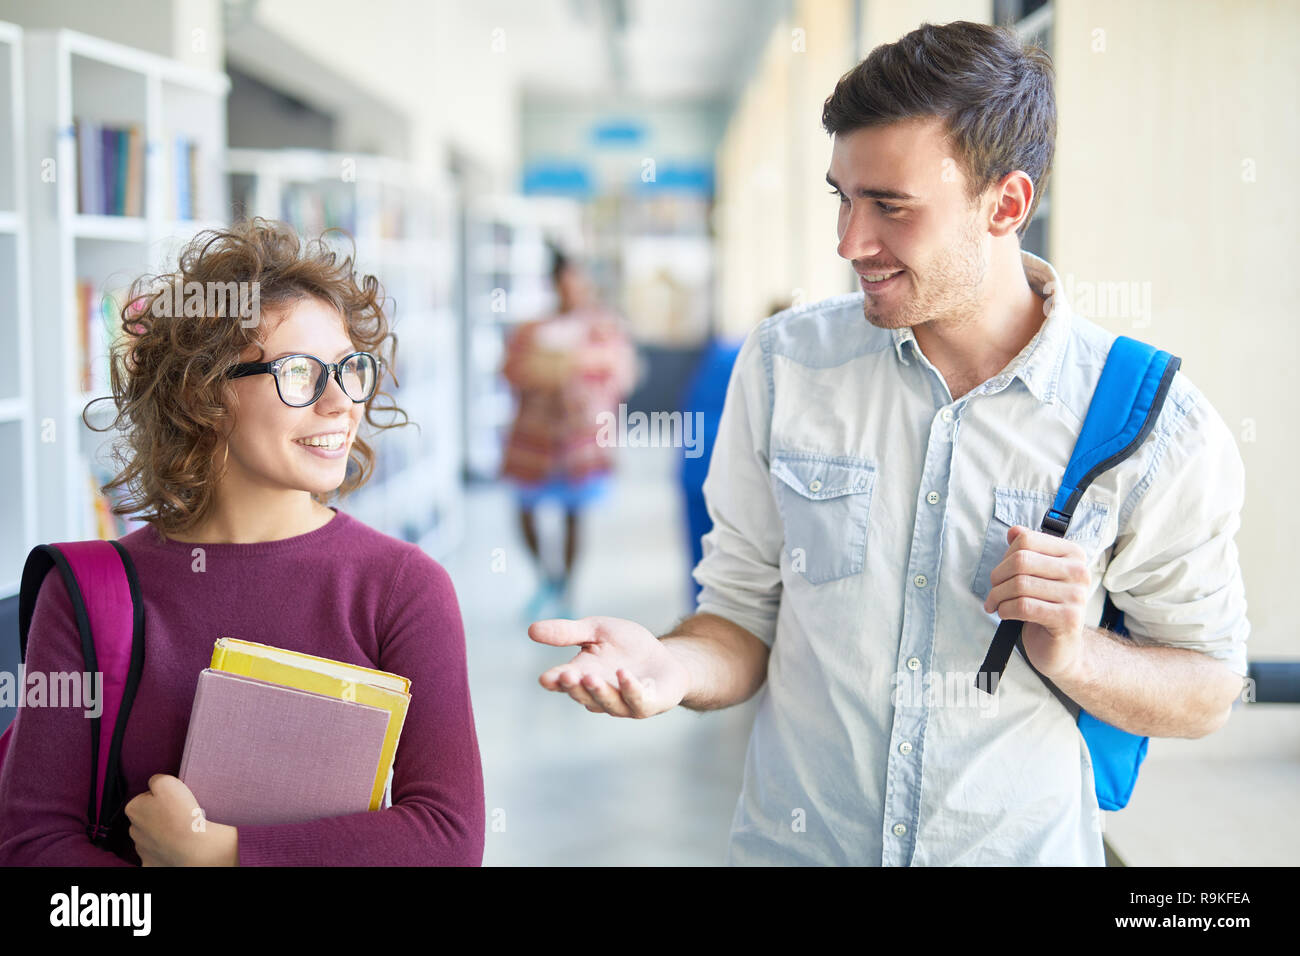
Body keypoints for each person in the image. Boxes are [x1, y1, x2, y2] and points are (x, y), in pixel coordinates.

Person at [529, 21, 1249, 866]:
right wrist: (672, 667)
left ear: (1006, 205)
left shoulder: (1152, 424)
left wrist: (1079, 653)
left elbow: (1207, 689)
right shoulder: (783, 365)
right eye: (843, 196)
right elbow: (740, 618)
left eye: (891, 207)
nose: (849, 243)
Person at [0, 218, 485, 866]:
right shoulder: (88, 592)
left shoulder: (403, 588)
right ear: (203, 393)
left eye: (351, 369)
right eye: (299, 373)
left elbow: (450, 840)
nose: (342, 402)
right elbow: (32, 845)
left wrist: (219, 856)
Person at [500, 245, 636, 619]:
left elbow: (618, 375)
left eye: (578, 281)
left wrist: (564, 374)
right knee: (526, 510)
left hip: (580, 442)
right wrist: (558, 374)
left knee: (574, 515)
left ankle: (566, 590)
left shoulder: (604, 328)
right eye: (564, 281)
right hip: (534, 440)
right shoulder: (532, 329)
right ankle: (549, 578)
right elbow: (513, 370)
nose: (572, 289)